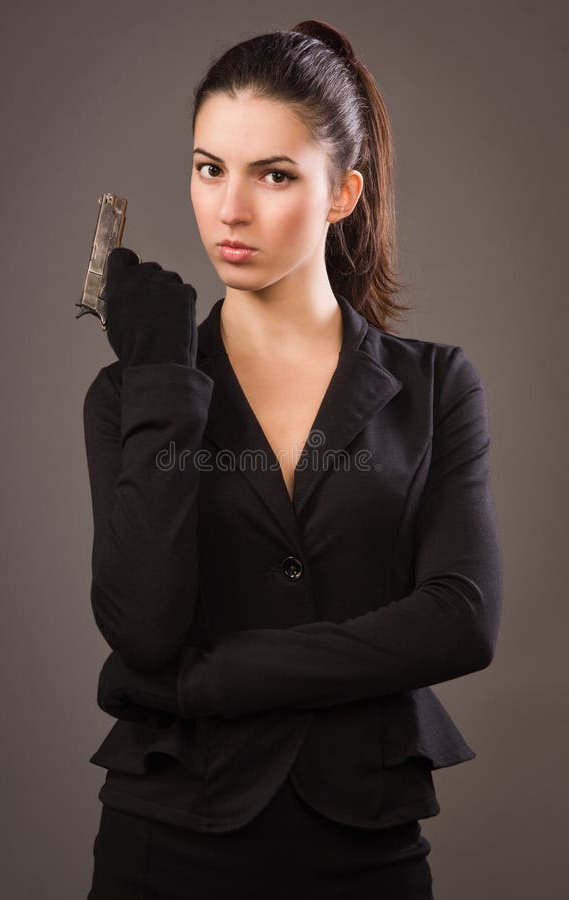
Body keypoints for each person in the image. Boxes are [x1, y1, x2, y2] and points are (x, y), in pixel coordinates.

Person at [83, 18, 503, 900]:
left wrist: (225, 678)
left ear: (343, 193)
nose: (230, 209)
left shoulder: (435, 387)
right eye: (209, 168)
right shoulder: (132, 395)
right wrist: (162, 373)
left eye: (274, 174)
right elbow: (145, 628)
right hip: (167, 836)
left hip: (365, 840)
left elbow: (461, 619)